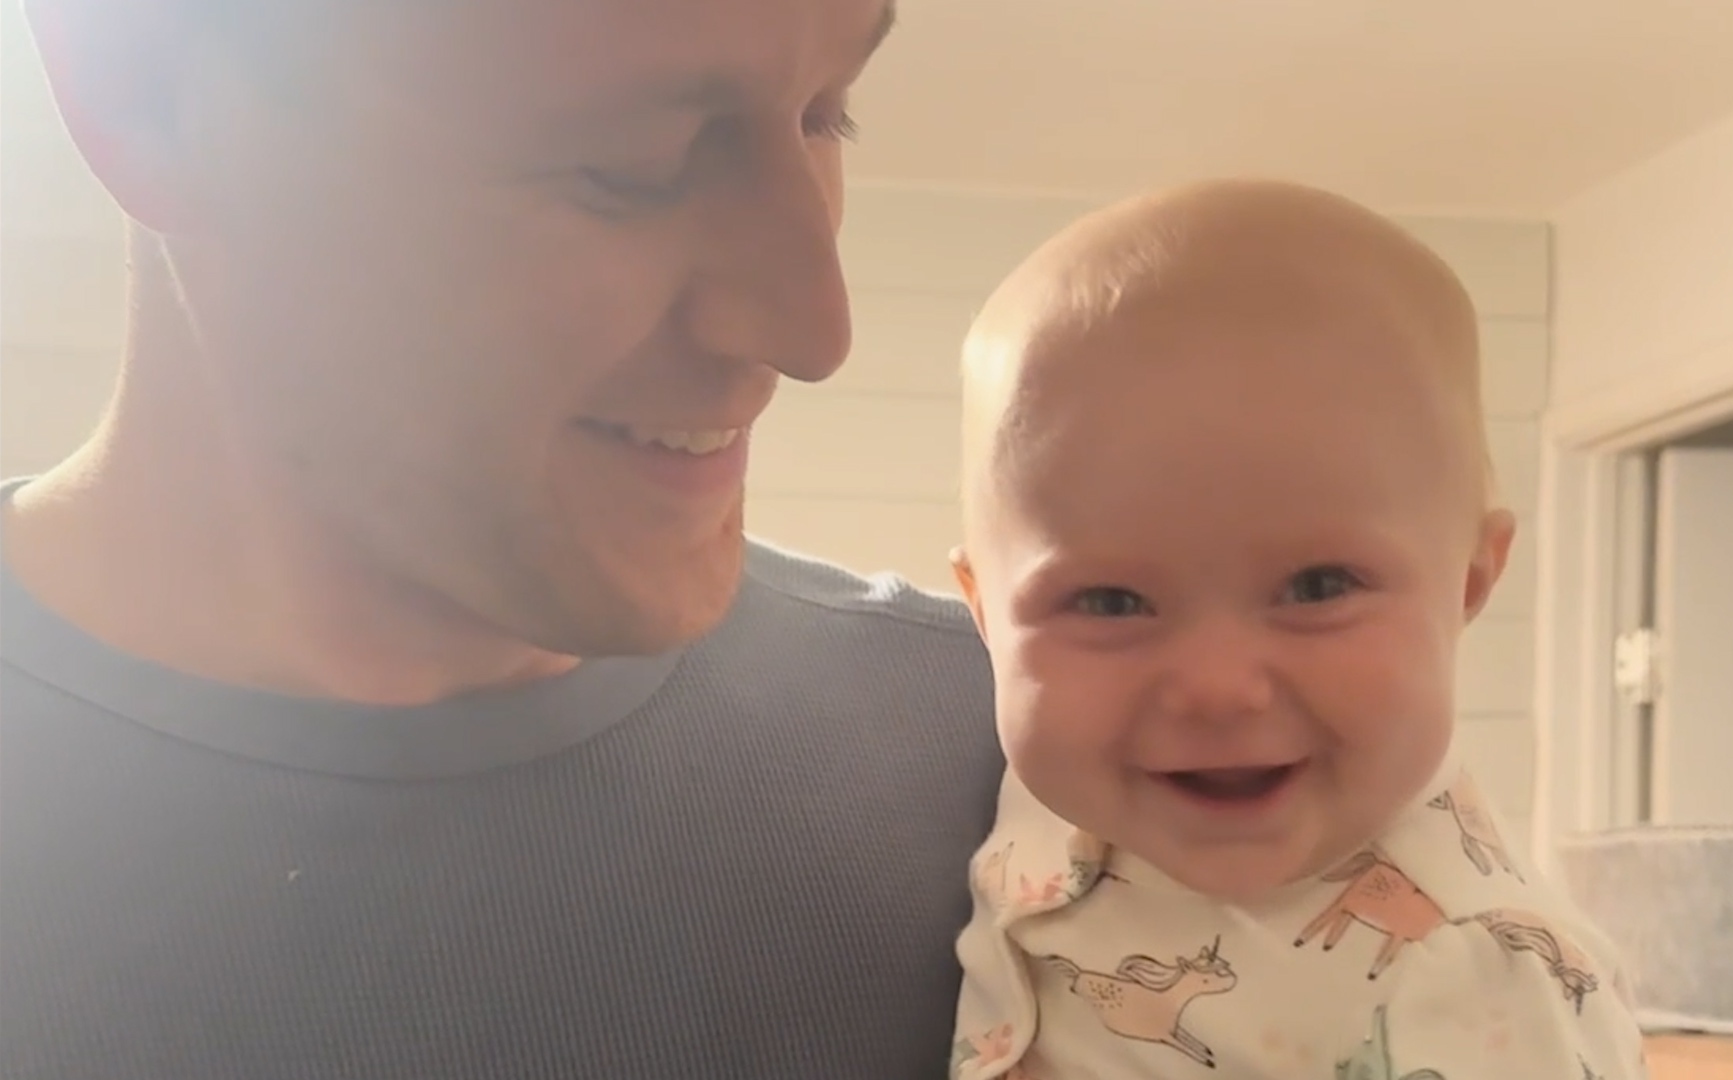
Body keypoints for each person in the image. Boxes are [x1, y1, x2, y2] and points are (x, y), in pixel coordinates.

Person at [0, 0, 1002, 1076]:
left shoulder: (1057, 761)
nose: (814, 329)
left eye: (824, 114)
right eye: (631, 160)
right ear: (144, 102)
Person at [943, 179, 1648, 1079]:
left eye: (1317, 587)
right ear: (984, 616)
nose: (1215, 683)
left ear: (1467, 582)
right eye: (1111, 603)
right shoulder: (1064, 770)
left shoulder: (1480, 987)